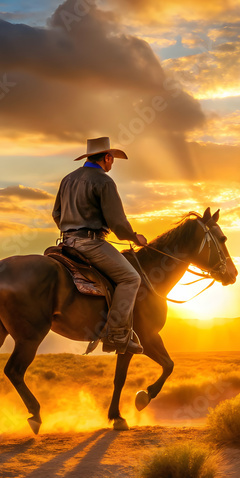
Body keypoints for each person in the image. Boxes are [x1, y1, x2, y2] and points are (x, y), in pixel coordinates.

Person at [52, 137, 148, 354]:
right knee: (130, 278)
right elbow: (117, 223)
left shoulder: (67, 179)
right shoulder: (104, 182)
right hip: (91, 243)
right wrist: (134, 238)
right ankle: (116, 334)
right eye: (111, 160)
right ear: (106, 157)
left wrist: (70, 229)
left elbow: (56, 214)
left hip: (67, 241)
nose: (111, 164)